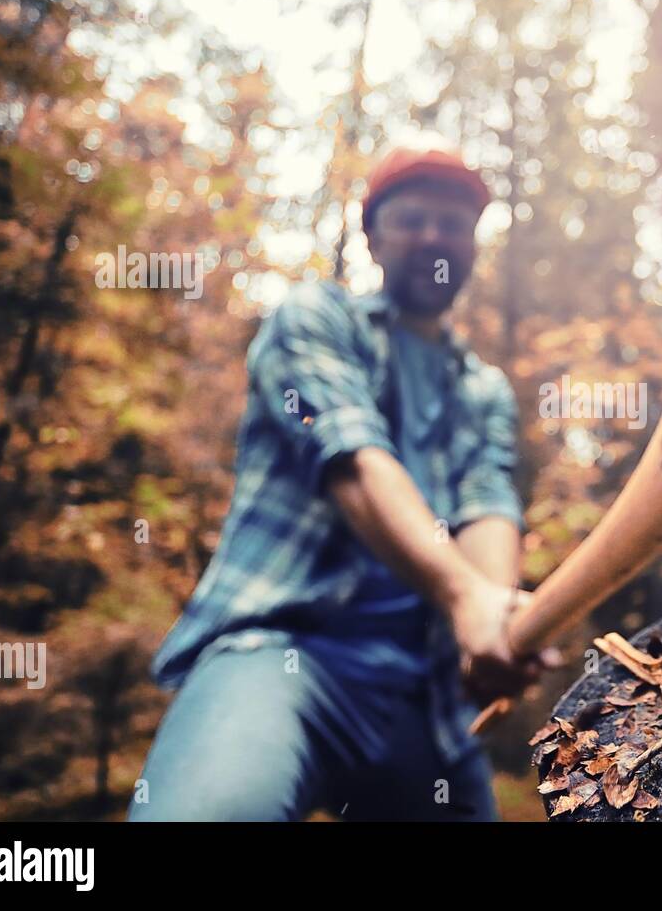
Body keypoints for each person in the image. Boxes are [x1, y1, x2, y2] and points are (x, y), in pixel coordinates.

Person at [131, 142, 552, 821]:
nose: (433, 237)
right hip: (285, 653)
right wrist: (465, 592)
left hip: (427, 699)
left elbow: (489, 503)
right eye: (412, 218)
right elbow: (352, 459)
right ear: (372, 236)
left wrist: (496, 614)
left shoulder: (484, 390)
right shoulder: (313, 318)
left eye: (452, 223)